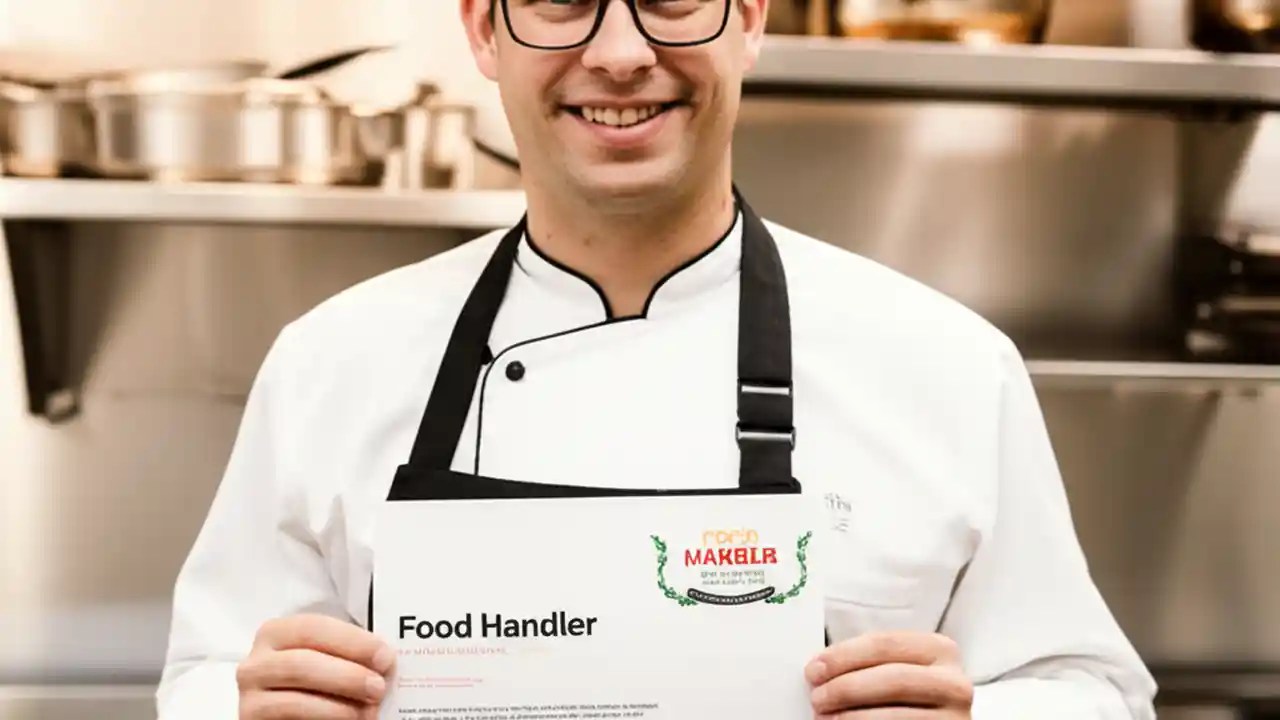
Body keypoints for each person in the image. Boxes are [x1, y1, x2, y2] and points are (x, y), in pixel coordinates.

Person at [156, 0, 1159, 718]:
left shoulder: (944, 363)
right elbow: (202, 679)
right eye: (563, 2)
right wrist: (249, 709)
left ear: (751, 19)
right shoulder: (330, 362)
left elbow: (1090, 693)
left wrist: (973, 718)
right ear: (480, 30)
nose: (622, 51)